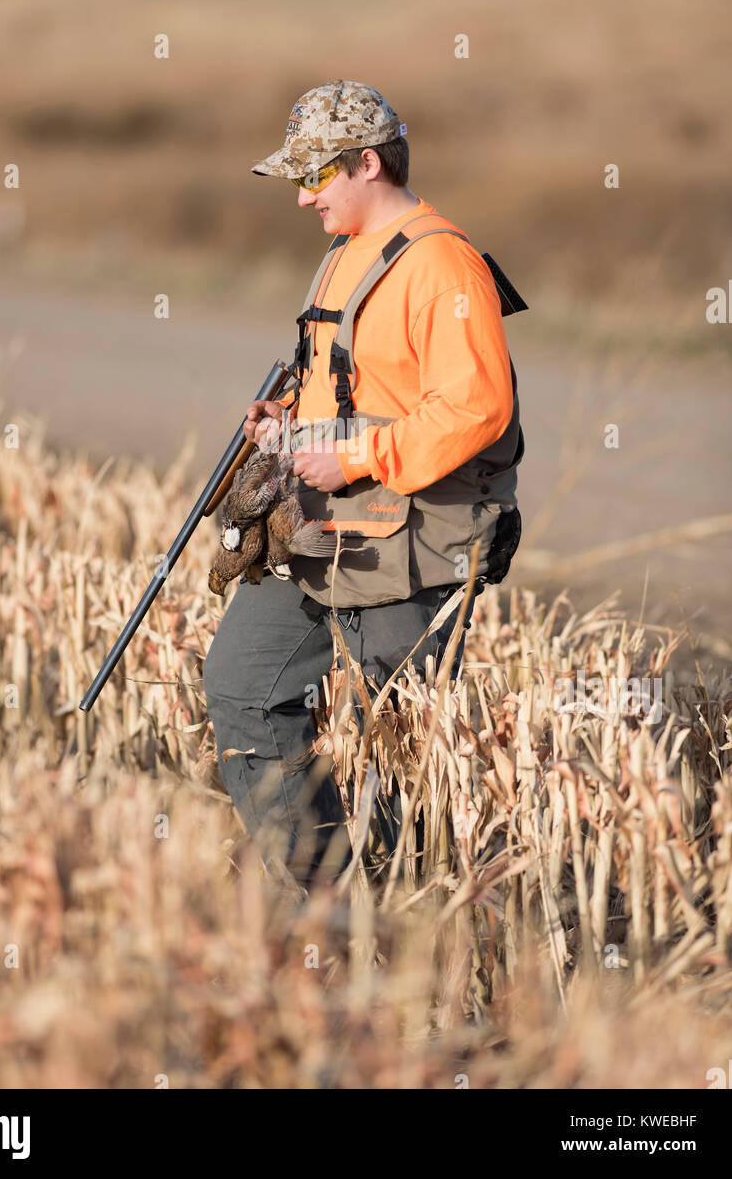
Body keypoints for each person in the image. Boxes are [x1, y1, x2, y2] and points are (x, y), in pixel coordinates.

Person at [202, 79, 524, 892]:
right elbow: (350, 381)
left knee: (404, 746)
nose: (304, 197)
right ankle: (321, 894)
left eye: (315, 177)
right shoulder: (341, 256)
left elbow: (476, 407)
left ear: (367, 163)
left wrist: (354, 459)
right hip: (315, 528)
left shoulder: (441, 264)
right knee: (243, 682)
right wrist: (282, 420)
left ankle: (427, 922)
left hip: (409, 544)